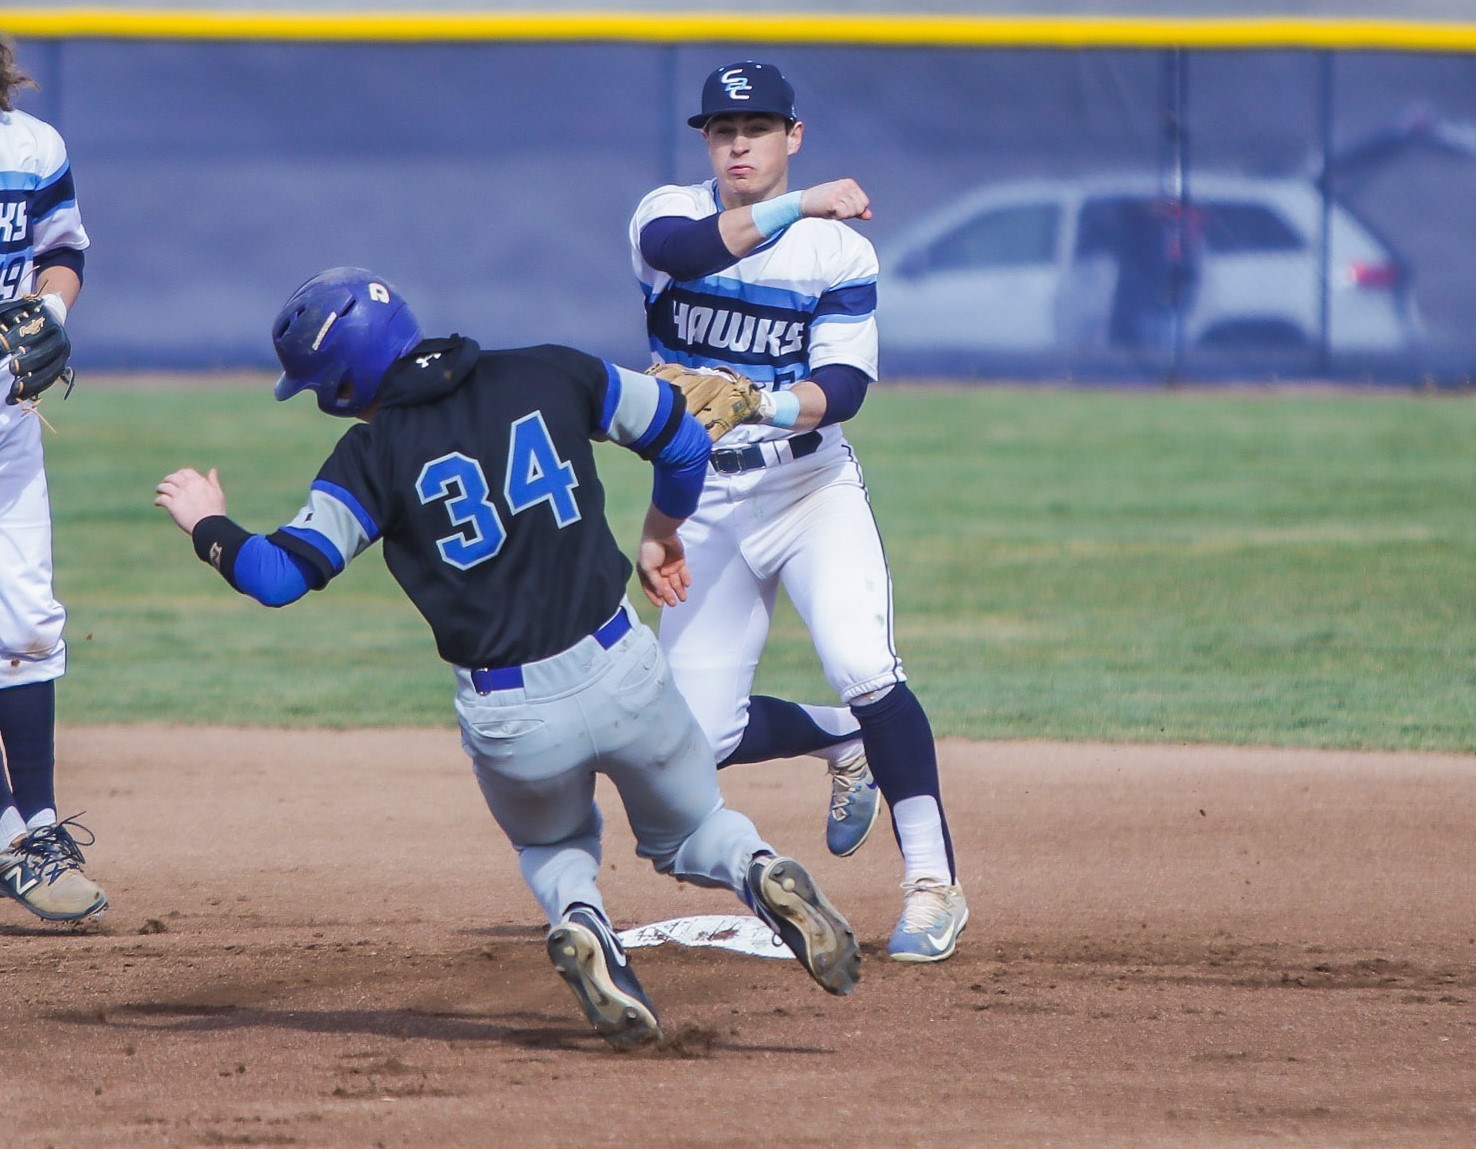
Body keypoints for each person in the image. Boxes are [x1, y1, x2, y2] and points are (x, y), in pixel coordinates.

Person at [154, 267, 860, 1050]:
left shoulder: (368, 456)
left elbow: (278, 577)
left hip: (513, 715)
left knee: (553, 846)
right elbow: (684, 438)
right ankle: (758, 869)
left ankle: (582, 918)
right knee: (695, 829)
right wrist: (661, 531)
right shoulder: (552, 368)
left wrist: (207, 523)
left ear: (342, 386)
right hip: (622, 666)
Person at [628, 60, 967, 962]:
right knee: (694, 744)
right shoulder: (661, 213)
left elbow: (843, 387)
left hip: (808, 488)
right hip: (703, 498)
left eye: (758, 126)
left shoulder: (839, 254)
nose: (738, 142)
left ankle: (932, 883)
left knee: (864, 660)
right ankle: (840, 738)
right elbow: (689, 252)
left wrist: (758, 403)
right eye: (722, 128)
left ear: (791, 133)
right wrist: (803, 200)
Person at [0, 34, 108, 923]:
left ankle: (36, 821)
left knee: (29, 622)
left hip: (6, 427)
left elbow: (61, 247)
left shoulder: (32, 147)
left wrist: (53, 307)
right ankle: (10, 833)